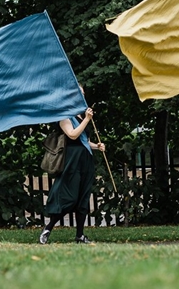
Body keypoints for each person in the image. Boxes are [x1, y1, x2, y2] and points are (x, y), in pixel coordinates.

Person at [38, 96, 106, 245]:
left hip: (85, 160)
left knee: (83, 199)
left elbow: (85, 142)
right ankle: (48, 229)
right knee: (70, 198)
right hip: (72, 162)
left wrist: (97, 146)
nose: (80, 97)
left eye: (82, 94)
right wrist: (87, 120)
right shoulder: (64, 117)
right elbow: (73, 135)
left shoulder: (81, 116)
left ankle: (80, 236)